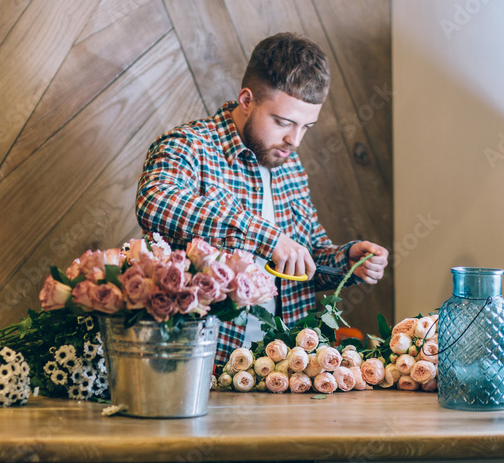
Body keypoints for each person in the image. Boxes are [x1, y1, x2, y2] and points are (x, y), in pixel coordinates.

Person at [136, 32, 389, 365]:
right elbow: (156, 202)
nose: (294, 140)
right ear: (246, 100)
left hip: (285, 369)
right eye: (283, 122)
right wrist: (267, 238)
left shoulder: (289, 164)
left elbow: (306, 258)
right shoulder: (187, 146)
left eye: (306, 127)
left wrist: (348, 261)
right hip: (203, 367)